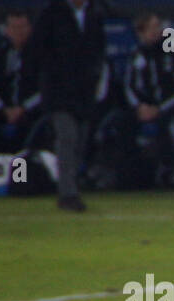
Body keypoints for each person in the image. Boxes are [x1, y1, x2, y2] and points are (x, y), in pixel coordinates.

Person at [28, 0, 108, 211]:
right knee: (67, 138)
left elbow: (99, 49)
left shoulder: (95, 13)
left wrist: (93, 77)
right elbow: (37, 49)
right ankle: (67, 194)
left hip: (84, 94)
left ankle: (71, 185)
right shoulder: (52, 13)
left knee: (80, 143)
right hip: (59, 93)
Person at [123, 11, 174, 187]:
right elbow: (129, 86)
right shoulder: (136, 53)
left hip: (172, 107)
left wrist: (161, 108)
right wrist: (139, 107)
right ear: (140, 33)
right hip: (144, 107)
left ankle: (167, 172)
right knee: (122, 122)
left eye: (157, 27)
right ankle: (129, 173)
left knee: (166, 123)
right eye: (149, 28)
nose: (155, 31)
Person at [0, 11, 44, 157]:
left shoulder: (41, 53)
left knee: (28, 130)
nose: (18, 32)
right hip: (4, 109)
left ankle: (19, 175)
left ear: (30, 29)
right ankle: (0, 163)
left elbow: (46, 87)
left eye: (22, 27)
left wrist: (23, 108)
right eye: (14, 27)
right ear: (7, 30)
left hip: (31, 111)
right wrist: (4, 108)